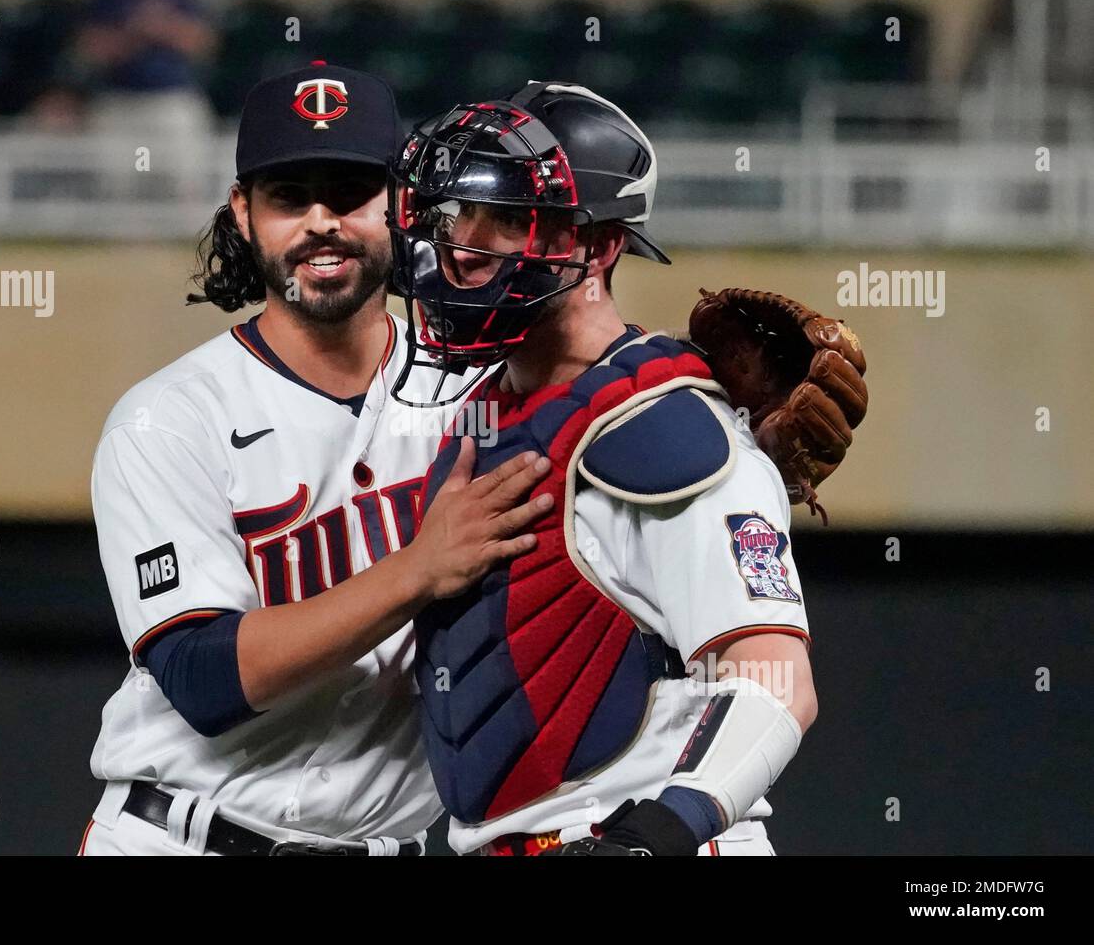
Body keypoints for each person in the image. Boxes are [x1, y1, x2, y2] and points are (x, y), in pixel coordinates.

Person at [80, 62, 551, 856]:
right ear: (243, 211)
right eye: (290, 197)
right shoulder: (167, 419)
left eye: (350, 193)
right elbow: (204, 678)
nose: (322, 221)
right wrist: (418, 569)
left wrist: (734, 453)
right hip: (181, 837)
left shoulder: (486, 394)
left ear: (402, 206)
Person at [389, 82, 842, 855]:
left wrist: (650, 838)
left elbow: (777, 688)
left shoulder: (667, 429)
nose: (464, 245)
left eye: (506, 219)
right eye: (455, 214)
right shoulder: (481, 415)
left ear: (599, 247)